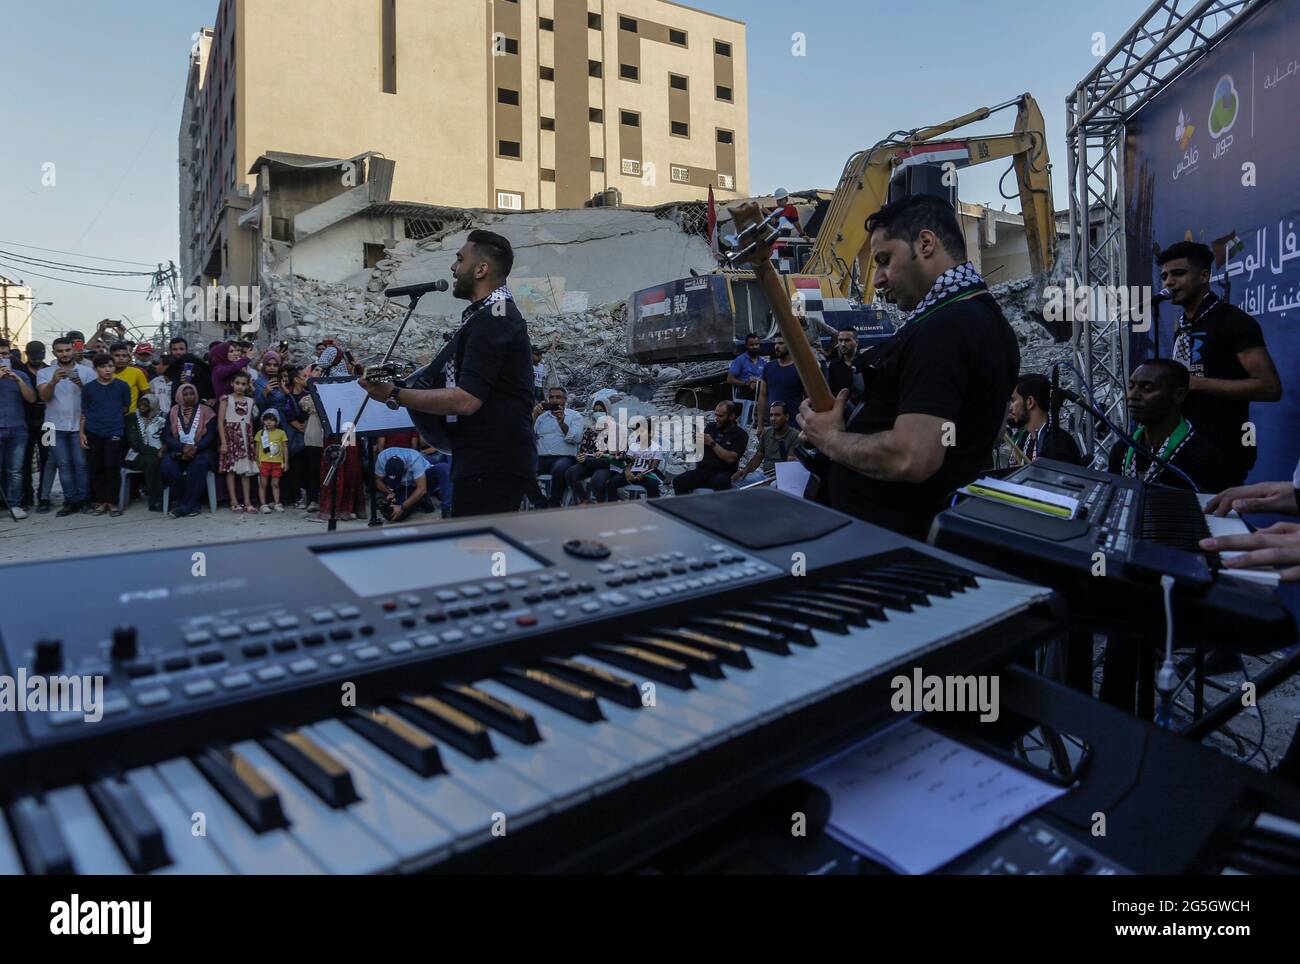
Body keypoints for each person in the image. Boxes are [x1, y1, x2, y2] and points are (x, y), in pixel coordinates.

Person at [799, 194, 1020, 540]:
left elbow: (912, 456)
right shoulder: (989, 320)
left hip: (882, 545)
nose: (878, 280)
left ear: (925, 243)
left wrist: (830, 439)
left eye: (885, 260)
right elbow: (986, 433)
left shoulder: (945, 328)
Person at [359, 229, 537, 518]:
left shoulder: (495, 318)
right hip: (483, 459)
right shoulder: (487, 315)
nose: (453, 268)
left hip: (491, 461)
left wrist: (394, 394)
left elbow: (467, 400)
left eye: (459, 259)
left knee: (478, 553)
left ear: (481, 269)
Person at [1162, 241, 1282, 485]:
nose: (1168, 282)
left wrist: (1196, 383)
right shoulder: (1182, 327)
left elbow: (1270, 388)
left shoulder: (1233, 321)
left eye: (1178, 273)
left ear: (1204, 276)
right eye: (1164, 276)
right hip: (1185, 449)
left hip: (1223, 451)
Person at [1105, 359, 1230, 493]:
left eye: (1147, 388)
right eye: (1131, 387)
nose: (1133, 396)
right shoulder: (1121, 449)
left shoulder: (1202, 455)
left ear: (1179, 395)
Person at [36, 336, 97, 517]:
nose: (64, 354)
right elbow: (44, 398)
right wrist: (54, 381)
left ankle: (84, 499)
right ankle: (70, 501)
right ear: (54, 353)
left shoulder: (87, 371)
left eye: (67, 350)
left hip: (80, 425)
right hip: (52, 426)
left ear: (73, 350)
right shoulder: (45, 373)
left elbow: (95, 399)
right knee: (62, 464)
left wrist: (81, 385)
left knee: (81, 464)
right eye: (60, 351)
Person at [79, 352, 131, 516]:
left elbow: (125, 407)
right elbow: (84, 412)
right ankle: (102, 502)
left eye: (110, 366)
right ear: (96, 369)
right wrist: (82, 433)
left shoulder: (122, 386)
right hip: (93, 431)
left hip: (114, 431)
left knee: (112, 466)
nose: (107, 370)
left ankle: (113, 503)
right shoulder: (88, 388)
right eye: (103, 367)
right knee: (97, 467)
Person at [162, 383, 218, 517]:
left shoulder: (206, 411)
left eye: (191, 394)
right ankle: (189, 503)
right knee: (167, 466)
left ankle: (185, 507)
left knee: (199, 465)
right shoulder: (173, 411)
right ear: (180, 395)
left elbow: (211, 435)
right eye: (185, 394)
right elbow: (167, 436)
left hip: (201, 450)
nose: (189, 397)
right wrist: (183, 448)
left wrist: (195, 448)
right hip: (178, 450)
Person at [674, 400, 748, 494]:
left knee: (720, 482)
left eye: (720, 416)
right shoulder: (711, 427)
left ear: (732, 417)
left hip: (723, 472)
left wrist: (712, 443)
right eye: (715, 415)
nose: (716, 418)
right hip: (703, 471)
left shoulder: (740, 434)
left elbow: (731, 458)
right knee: (678, 481)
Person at [1007, 373, 1082, 464]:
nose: (1010, 408)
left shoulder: (1058, 444)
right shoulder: (1024, 439)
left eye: (1013, 400)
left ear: (1030, 402)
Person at [531, 386, 583, 508]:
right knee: (524, 469)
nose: (554, 400)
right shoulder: (541, 417)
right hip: (541, 457)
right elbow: (529, 437)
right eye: (551, 397)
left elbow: (576, 438)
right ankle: (539, 502)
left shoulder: (574, 416)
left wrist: (562, 423)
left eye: (558, 397)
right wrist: (534, 417)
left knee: (560, 469)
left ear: (565, 400)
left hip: (565, 458)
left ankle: (554, 502)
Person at [0, 344, 36, 519]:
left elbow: (31, 398)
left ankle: (15, 504)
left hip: (17, 428)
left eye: (5, 354)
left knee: (15, 470)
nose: (3, 357)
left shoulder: (20, 374)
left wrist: (18, 380)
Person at [218, 371, 260, 512]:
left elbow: (251, 423)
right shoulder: (226, 399)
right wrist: (224, 442)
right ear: (232, 384)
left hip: (245, 440)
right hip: (231, 438)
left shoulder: (250, 401)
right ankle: (233, 500)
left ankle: (247, 501)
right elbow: (220, 422)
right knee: (231, 470)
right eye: (237, 383)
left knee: (245, 471)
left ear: (248, 385)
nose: (240, 387)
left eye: (243, 384)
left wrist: (251, 443)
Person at [564, 392, 615, 504]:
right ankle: (585, 501)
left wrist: (599, 457)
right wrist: (580, 457)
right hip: (589, 462)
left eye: (601, 411)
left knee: (596, 481)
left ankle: (602, 505)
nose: (598, 413)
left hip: (606, 464)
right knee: (570, 473)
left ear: (608, 412)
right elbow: (583, 450)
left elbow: (616, 456)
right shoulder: (590, 430)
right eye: (596, 411)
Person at [733, 400, 799, 487]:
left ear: (786, 417)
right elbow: (758, 457)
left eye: (777, 415)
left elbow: (790, 464)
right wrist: (745, 471)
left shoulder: (795, 435)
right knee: (736, 481)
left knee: (773, 486)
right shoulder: (767, 432)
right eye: (771, 415)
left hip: (782, 478)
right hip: (764, 475)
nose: (773, 419)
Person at [593, 419, 662, 501]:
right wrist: (627, 472)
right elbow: (627, 461)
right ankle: (613, 508)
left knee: (653, 486)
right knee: (611, 483)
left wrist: (643, 474)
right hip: (631, 473)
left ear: (651, 433)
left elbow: (654, 466)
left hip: (646, 474)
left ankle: (654, 508)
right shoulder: (634, 446)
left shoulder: (657, 448)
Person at [376, 447, 453, 520]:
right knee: (396, 515)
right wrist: (389, 493)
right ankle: (421, 500)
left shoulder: (414, 458)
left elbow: (422, 488)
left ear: (405, 468)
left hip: (424, 480)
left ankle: (447, 508)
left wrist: (402, 507)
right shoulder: (382, 458)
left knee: (443, 468)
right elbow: (378, 481)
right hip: (403, 487)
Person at [19, 340, 49, 510]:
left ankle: (43, 496)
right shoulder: (20, 371)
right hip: (26, 421)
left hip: (48, 421)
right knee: (25, 459)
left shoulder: (49, 370)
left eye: (40, 356)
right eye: (34, 356)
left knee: (48, 459)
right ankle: (27, 496)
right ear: (27, 354)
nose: (37, 359)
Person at [755, 334, 805, 433]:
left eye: (781, 343)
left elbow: (808, 398)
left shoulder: (800, 368)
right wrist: (759, 425)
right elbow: (762, 397)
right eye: (775, 343)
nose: (776, 347)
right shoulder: (768, 367)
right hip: (772, 424)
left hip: (794, 425)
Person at [125, 393, 165, 512]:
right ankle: (155, 501)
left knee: (163, 461)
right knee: (152, 461)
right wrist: (156, 451)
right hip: (135, 455)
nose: (142, 407)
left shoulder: (160, 419)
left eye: (146, 405)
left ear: (153, 407)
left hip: (157, 453)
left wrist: (162, 450)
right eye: (140, 404)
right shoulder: (131, 418)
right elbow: (135, 444)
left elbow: (165, 437)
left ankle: (168, 498)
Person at [279, 364, 311, 509]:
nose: (307, 378)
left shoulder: (308, 395)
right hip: (294, 437)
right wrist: (296, 424)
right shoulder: (289, 396)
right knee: (294, 467)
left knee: (304, 468)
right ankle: (293, 496)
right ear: (297, 380)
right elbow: (288, 412)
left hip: (306, 435)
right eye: (304, 376)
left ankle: (303, 496)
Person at [255, 409, 289, 512]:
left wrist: (286, 462)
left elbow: (285, 448)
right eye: (266, 419)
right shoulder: (260, 433)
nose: (269, 422)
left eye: (272, 420)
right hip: (264, 462)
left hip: (277, 463)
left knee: (275, 484)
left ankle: (277, 503)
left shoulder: (281, 433)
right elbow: (257, 448)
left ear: (276, 421)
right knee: (263, 484)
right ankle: (263, 504)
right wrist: (257, 461)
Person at [827, 327, 865, 405]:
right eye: (840, 340)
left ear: (856, 342)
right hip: (839, 410)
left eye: (847, 340)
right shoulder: (834, 365)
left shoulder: (864, 363)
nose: (843, 344)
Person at [727, 333, 767, 402]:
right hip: (744, 395)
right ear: (746, 346)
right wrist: (746, 383)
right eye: (751, 345)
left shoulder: (763, 362)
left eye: (756, 344)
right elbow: (729, 379)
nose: (755, 347)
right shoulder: (740, 360)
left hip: (759, 394)